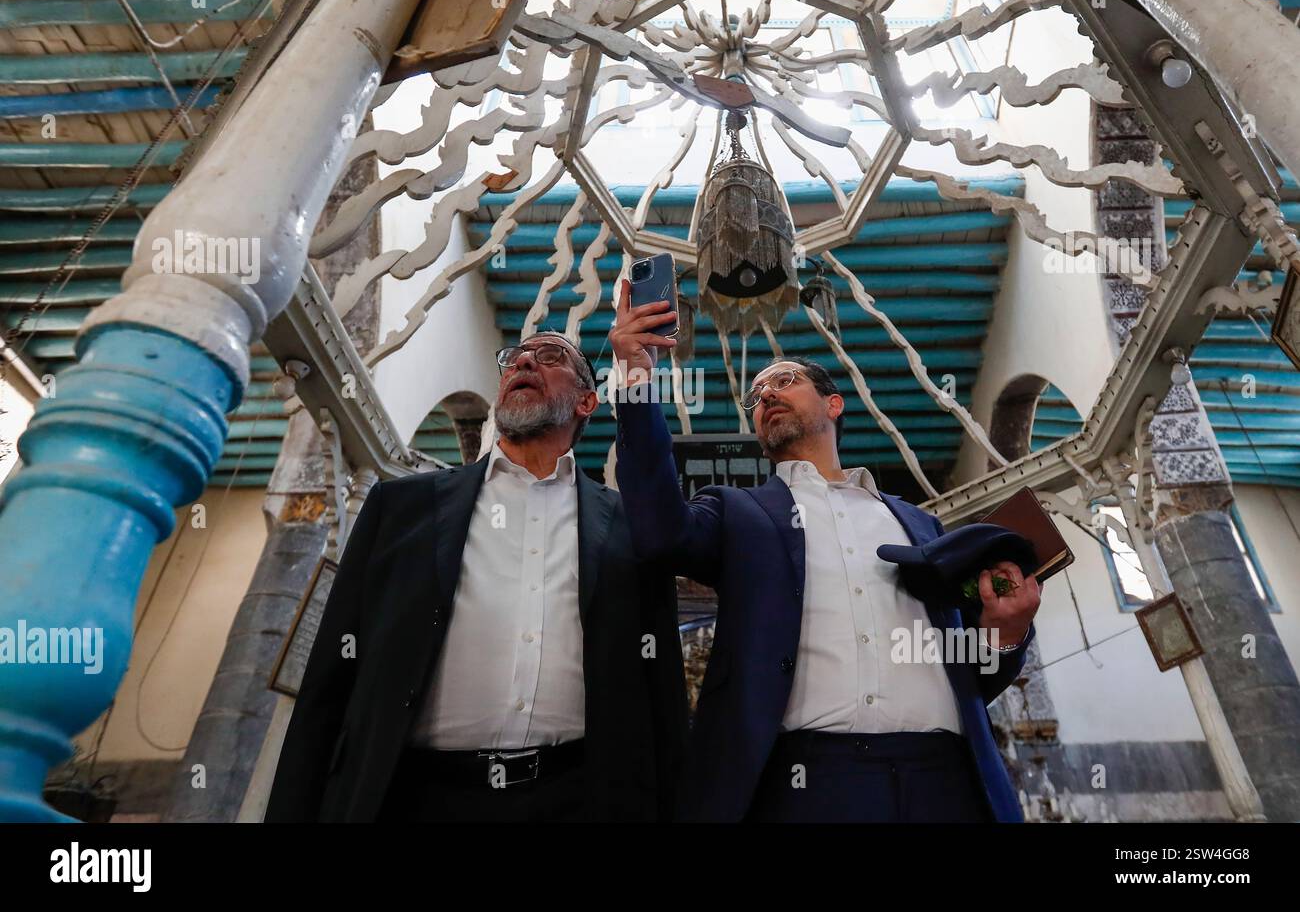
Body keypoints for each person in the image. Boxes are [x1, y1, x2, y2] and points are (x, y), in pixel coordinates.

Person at [609, 292, 1041, 822]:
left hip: (946, 781)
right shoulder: (736, 512)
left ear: (834, 404)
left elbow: (969, 673)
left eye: (784, 381)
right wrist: (635, 377)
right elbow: (658, 532)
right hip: (810, 783)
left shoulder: (920, 524)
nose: (764, 394)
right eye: (755, 396)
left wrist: (1007, 634)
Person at [266, 331, 687, 822]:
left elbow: (662, 693)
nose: (525, 363)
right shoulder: (401, 509)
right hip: (415, 799)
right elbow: (329, 683)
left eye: (551, 357)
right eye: (515, 358)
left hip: (579, 797)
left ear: (587, 402)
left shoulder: (630, 528)